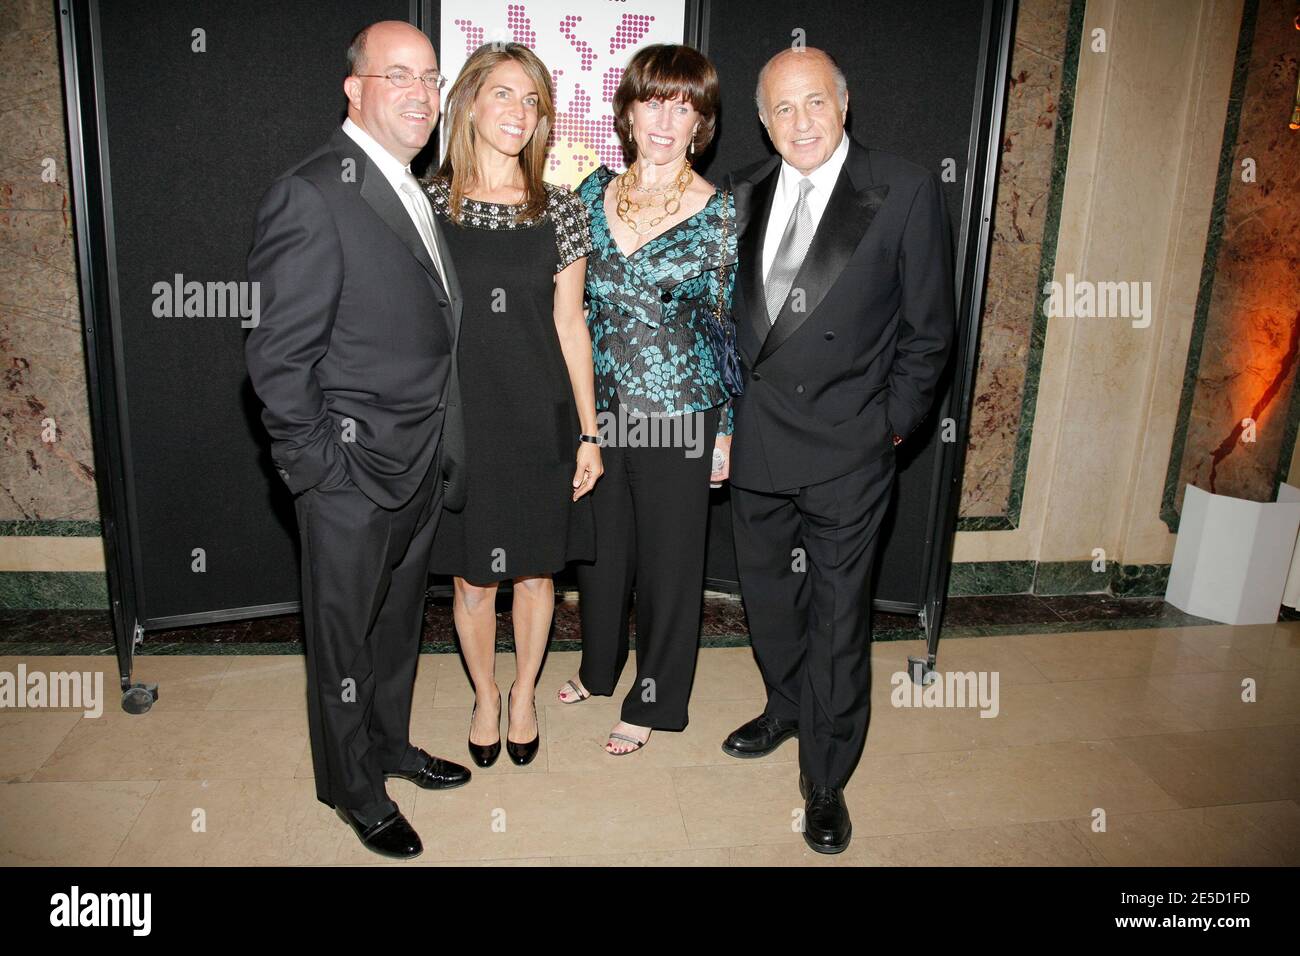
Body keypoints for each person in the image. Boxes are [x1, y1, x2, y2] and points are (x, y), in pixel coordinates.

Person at [244, 21, 471, 861]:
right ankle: (353, 786)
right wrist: (320, 475)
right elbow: (275, 359)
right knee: (343, 636)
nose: (420, 95)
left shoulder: (405, 183)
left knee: (396, 627)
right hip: (350, 474)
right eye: (398, 77)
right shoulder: (313, 192)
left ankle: (389, 746)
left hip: (416, 463)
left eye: (431, 79)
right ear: (356, 88)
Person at [721, 47, 955, 853]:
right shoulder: (743, 192)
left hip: (850, 448)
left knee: (835, 616)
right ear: (763, 120)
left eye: (814, 103)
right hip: (756, 448)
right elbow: (730, 325)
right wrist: (722, 423)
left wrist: (889, 427)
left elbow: (930, 333)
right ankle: (786, 706)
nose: (800, 123)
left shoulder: (903, 189)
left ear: (844, 103)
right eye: (782, 110)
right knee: (769, 599)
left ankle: (826, 774)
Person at [424, 43, 601, 770]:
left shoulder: (560, 210)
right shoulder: (429, 205)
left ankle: (525, 692)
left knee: (536, 574)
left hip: (542, 420)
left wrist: (590, 433)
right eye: (504, 94)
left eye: (532, 101)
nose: (519, 113)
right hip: (464, 421)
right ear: (467, 102)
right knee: (473, 579)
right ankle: (484, 694)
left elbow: (571, 325)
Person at [558, 44, 738, 756]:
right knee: (600, 554)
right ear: (628, 112)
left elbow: (729, 330)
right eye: (652, 100)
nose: (666, 118)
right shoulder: (588, 194)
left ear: (703, 121)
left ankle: (655, 700)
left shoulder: (721, 215)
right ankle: (598, 670)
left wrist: (726, 431)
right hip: (599, 412)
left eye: (684, 104)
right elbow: (566, 314)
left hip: (683, 413)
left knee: (668, 564)